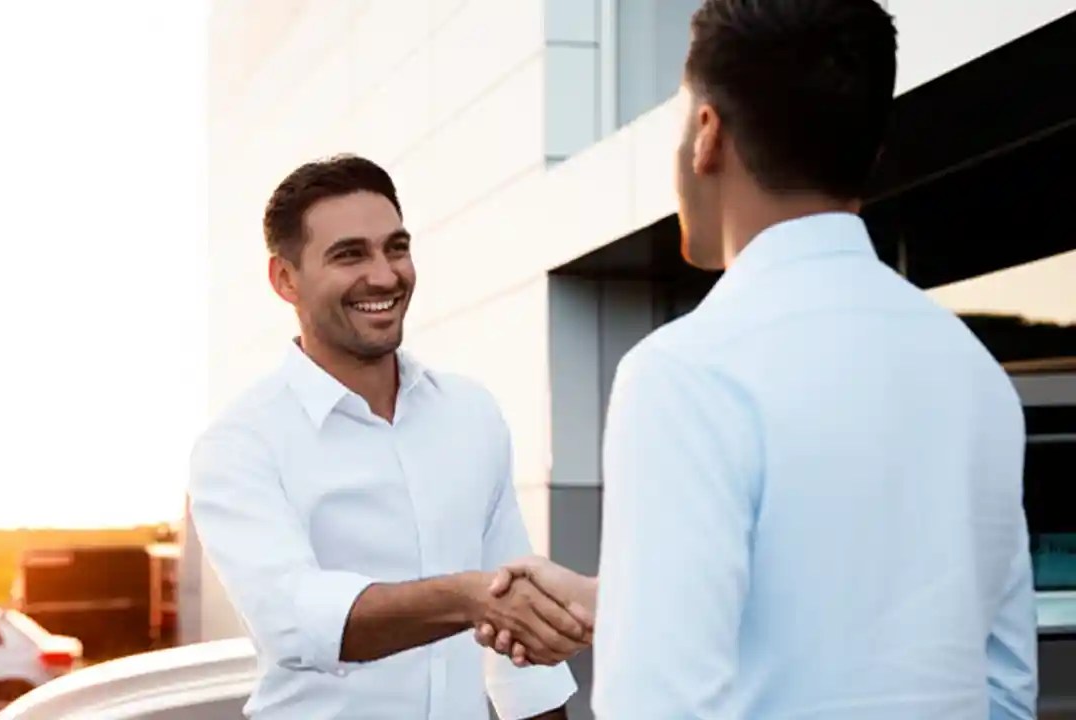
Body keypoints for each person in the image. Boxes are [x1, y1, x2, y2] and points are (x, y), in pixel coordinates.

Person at [477, 0, 1037, 717]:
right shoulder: (975, 374)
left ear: (706, 133)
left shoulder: (685, 373)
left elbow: (664, 704)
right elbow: (1002, 687)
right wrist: (626, 602)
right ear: (868, 150)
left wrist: (642, 621)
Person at [188, 154, 585, 720]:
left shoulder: (470, 414)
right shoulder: (239, 444)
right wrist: (469, 598)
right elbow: (297, 622)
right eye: (350, 254)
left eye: (395, 247)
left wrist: (499, 609)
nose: (384, 274)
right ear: (285, 280)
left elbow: (521, 655)